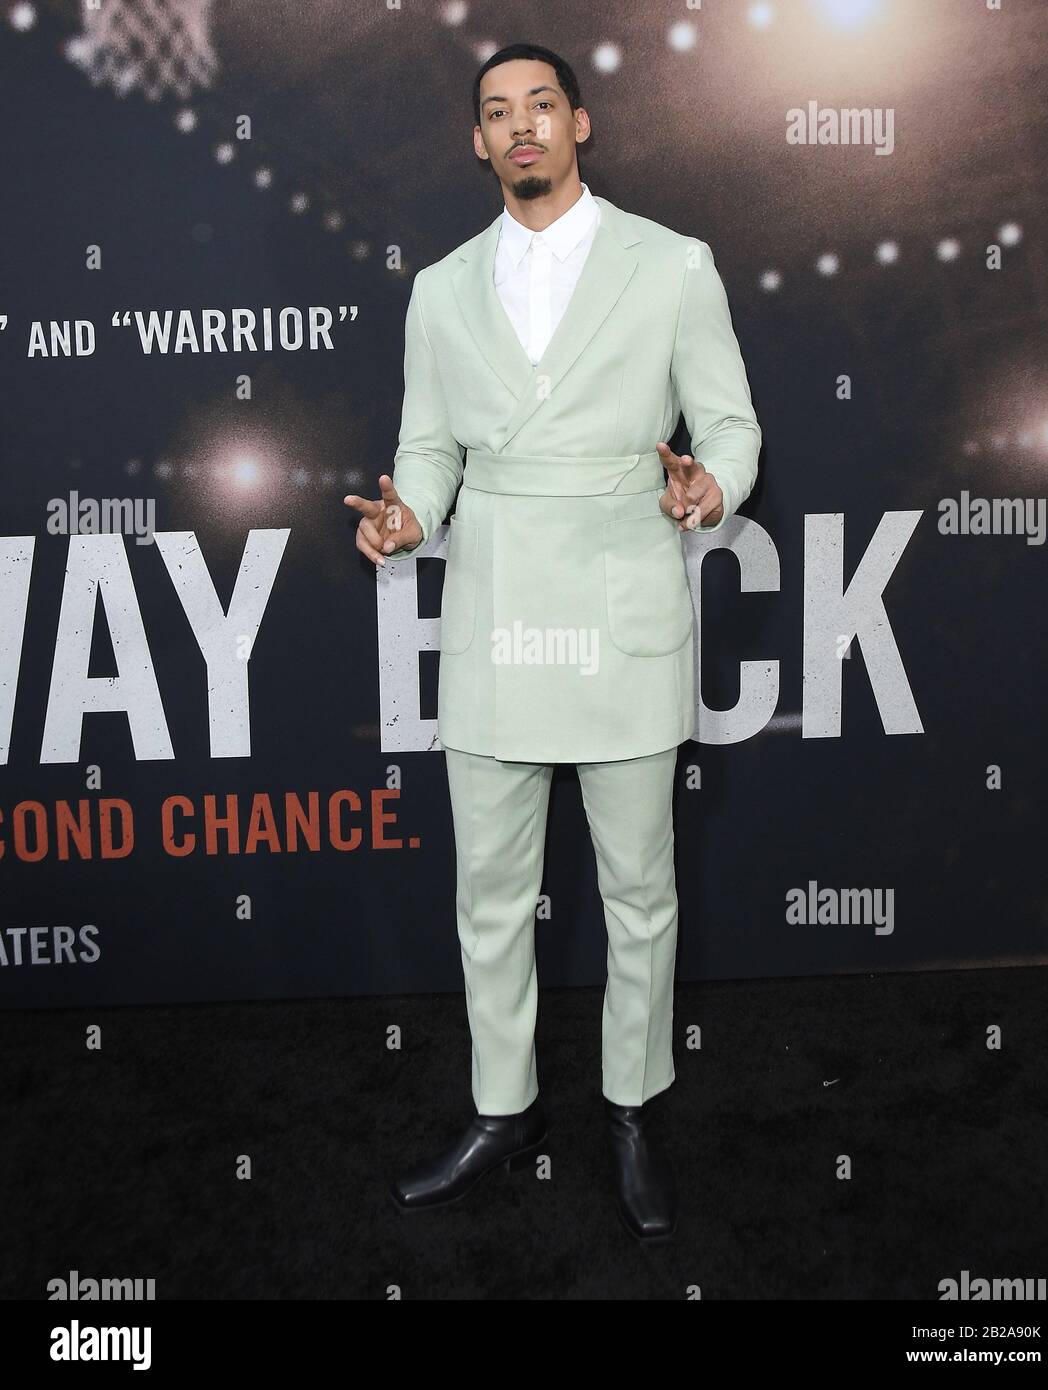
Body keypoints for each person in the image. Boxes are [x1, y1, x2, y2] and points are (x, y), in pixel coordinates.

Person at [345, 42, 761, 1241]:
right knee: (489, 895)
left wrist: (707, 490)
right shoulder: (438, 288)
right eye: (495, 114)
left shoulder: (672, 266)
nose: (520, 127)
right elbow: (429, 446)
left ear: (580, 122)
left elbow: (730, 426)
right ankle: (499, 1107)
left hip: (622, 610)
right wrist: (409, 512)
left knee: (638, 893)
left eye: (540, 106)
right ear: (477, 142)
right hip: (493, 617)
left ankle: (631, 1110)